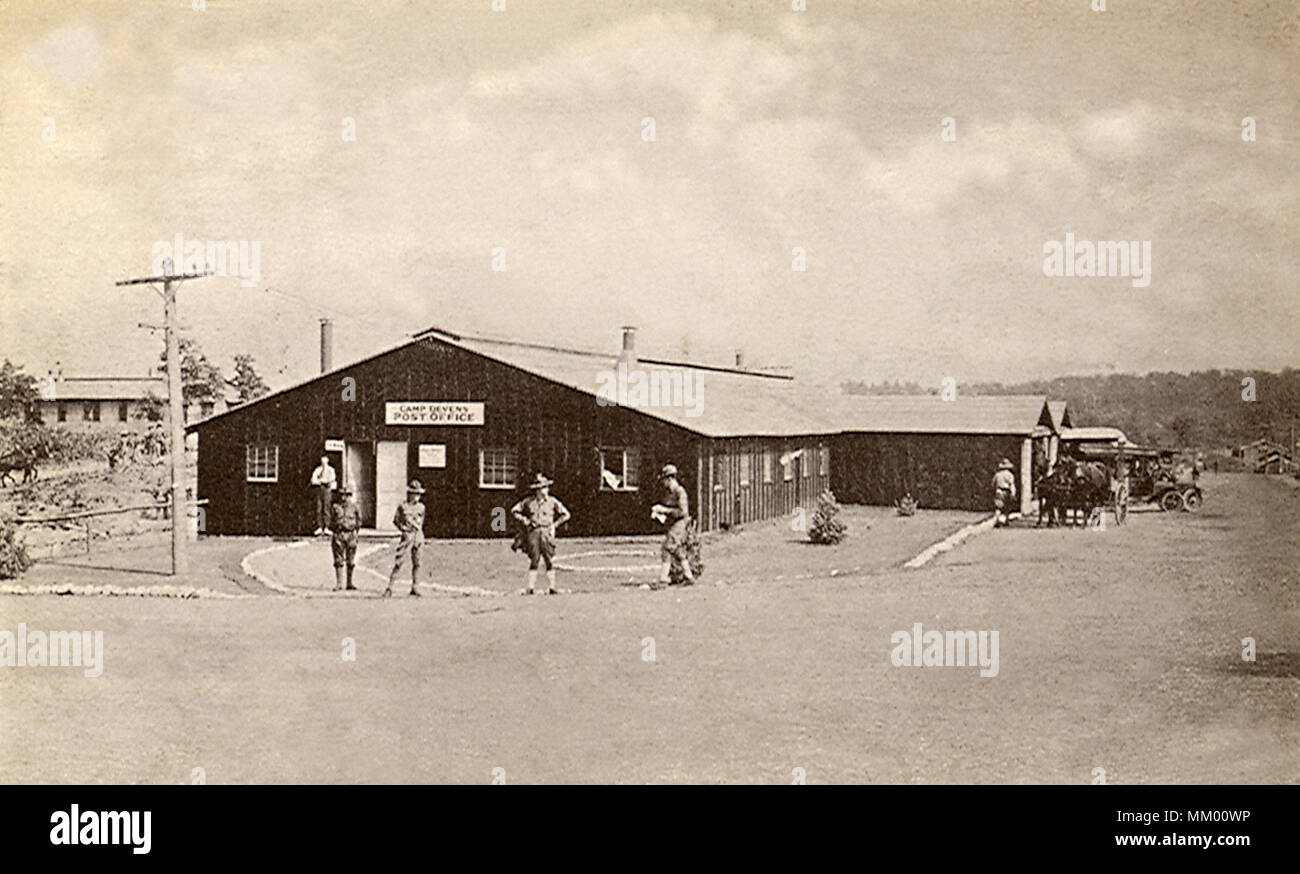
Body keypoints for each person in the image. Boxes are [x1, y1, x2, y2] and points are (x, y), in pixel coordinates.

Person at [511, 473, 570, 595]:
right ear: (537, 490)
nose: (545, 490)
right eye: (543, 488)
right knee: (535, 559)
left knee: (549, 559)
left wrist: (554, 525)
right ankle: (530, 587)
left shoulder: (552, 502)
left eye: (546, 487)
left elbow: (566, 514)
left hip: (546, 533)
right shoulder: (528, 502)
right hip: (533, 532)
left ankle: (552, 587)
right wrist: (526, 521)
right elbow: (515, 510)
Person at [651, 464, 695, 586]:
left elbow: (683, 511)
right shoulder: (668, 493)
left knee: (667, 548)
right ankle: (689, 576)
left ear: (670, 479)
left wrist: (664, 510)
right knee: (677, 550)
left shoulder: (680, 492)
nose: (663, 483)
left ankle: (663, 579)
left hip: (680, 523)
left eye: (664, 480)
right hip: (673, 523)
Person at [384, 480, 425, 598]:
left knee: (417, 563)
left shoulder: (421, 507)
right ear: (410, 494)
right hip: (407, 536)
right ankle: (390, 587)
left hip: (418, 536)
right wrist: (403, 529)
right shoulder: (403, 506)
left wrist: (418, 531)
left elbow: (421, 521)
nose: (417, 496)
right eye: (414, 493)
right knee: (399, 562)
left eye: (418, 494)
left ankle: (415, 587)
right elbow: (396, 521)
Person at [328, 485, 361, 591]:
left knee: (351, 561)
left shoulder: (355, 507)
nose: (344, 498)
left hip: (351, 534)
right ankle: (339, 583)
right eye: (342, 495)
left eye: (346, 495)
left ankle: (350, 582)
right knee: (338, 560)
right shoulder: (335, 507)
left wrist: (355, 533)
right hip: (339, 534)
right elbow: (331, 521)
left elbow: (359, 522)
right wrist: (336, 531)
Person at [309, 455, 337, 535]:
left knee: (326, 507)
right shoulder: (318, 470)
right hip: (319, 489)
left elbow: (332, 479)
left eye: (325, 460)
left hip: (327, 489)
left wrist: (324, 481)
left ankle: (327, 527)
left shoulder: (331, 470)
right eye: (322, 460)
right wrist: (320, 481)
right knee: (319, 507)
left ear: (327, 460)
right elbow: (313, 480)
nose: (324, 462)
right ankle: (319, 527)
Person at [992, 458, 1016, 528]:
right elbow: (1012, 485)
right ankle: (1006, 521)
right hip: (1006, 491)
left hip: (998, 491)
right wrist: (1013, 493)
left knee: (998, 507)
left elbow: (993, 484)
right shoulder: (1010, 475)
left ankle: (997, 521)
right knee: (1007, 507)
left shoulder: (997, 475)